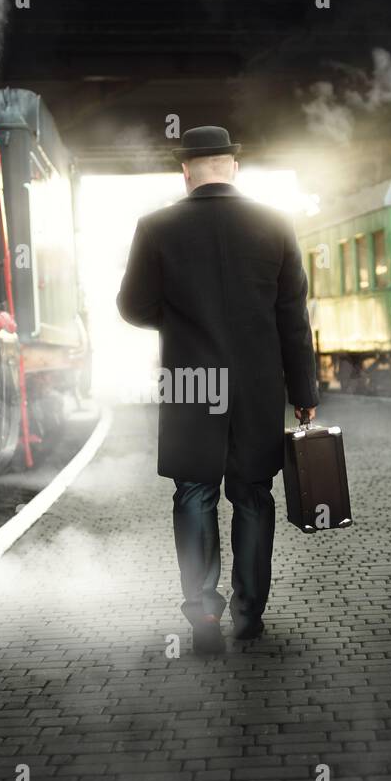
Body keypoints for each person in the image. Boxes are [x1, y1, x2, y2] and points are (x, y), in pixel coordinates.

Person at [116, 125, 318, 655]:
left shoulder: (156, 226)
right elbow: (293, 318)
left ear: (186, 172)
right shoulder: (274, 223)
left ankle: (204, 612)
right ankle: (249, 616)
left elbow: (132, 306)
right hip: (255, 384)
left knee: (194, 494)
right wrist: (303, 390)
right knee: (252, 495)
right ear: (233, 167)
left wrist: (182, 324)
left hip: (190, 382)